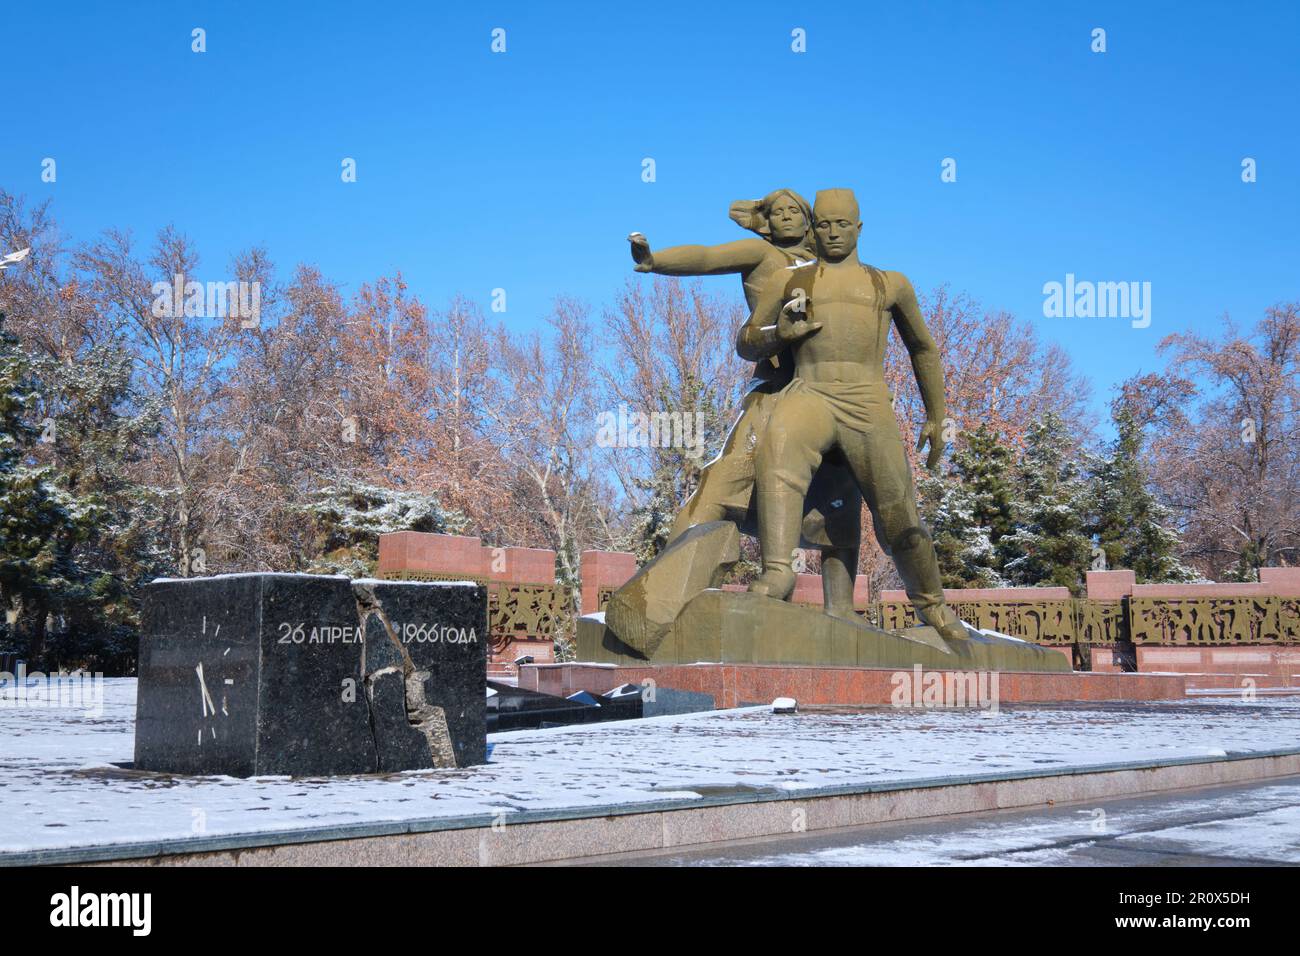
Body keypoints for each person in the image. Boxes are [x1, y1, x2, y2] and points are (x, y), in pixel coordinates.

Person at [737, 188, 967, 641]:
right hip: (811, 391)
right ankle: (778, 571)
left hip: (867, 401)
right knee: (779, 446)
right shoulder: (791, 280)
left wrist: (937, 415)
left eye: (842, 224)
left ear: (859, 228)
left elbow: (923, 347)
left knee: (898, 514)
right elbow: (747, 341)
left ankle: (933, 605)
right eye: (823, 224)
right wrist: (779, 333)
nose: (832, 232)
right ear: (813, 228)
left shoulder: (889, 283)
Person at [628, 190, 862, 615]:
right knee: (718, 489)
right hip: (774, 393)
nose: (788, 218)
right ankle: (659, 599)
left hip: (833, 397)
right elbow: (706, 257)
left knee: (839, 507)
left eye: (796, 211)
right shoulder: (762, 256)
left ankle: (841, 616)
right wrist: (654, 260)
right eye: (778, 212)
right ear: (765, 222)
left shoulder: (833, 269)